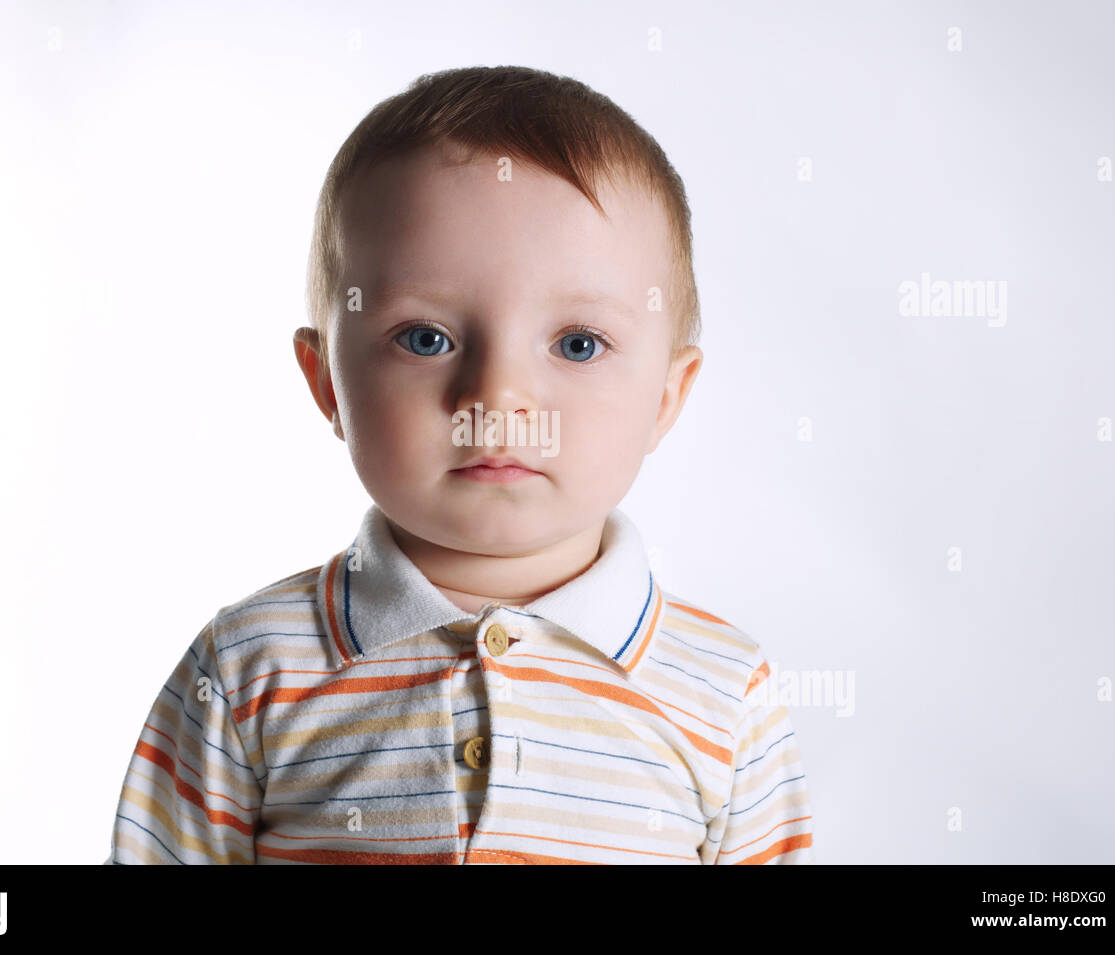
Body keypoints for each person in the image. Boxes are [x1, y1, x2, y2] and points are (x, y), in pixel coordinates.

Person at [106, 65, 814, 864]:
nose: (500, 396)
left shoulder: (722, 694)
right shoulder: (247, 670)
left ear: (665, 397)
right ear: (327, 383)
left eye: (578, 344)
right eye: (426, 338)